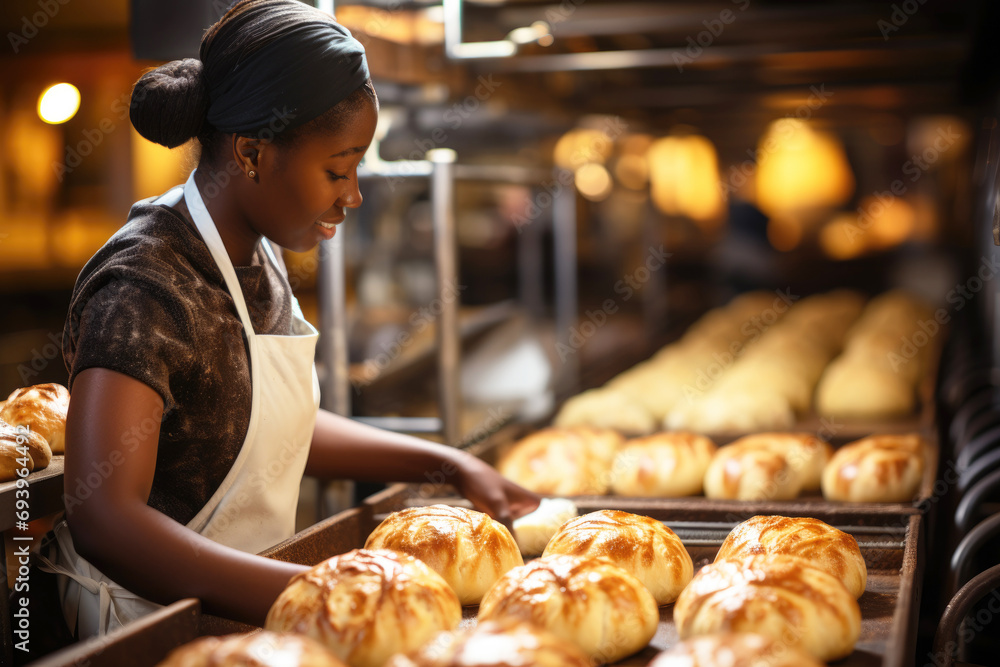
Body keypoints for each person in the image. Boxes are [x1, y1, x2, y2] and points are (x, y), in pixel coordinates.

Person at [40, 0, 538, 639]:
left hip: (244, 617)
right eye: (338, 168)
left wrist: (447, 464)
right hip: (142, 629)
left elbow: (267, 423)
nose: (353, 194)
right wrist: (312, 591)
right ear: (251, 153)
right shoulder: (145, 285)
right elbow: (104, 517)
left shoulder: (258, 254)